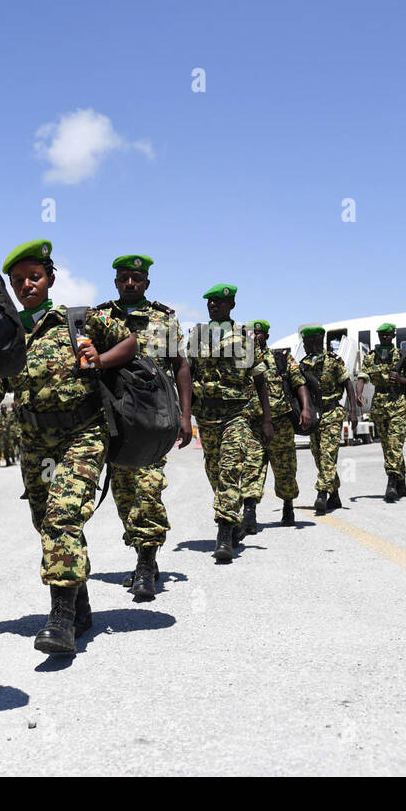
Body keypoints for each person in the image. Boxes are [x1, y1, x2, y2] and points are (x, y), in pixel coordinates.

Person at [0, 240, 136, 653]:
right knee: (47, 524)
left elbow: (130, 343)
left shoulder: (80, 319)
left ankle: (60, 619)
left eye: (35, 277)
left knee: (63, 517)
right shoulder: (9, 335)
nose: (27, 285)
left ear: (50, 280)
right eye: (18, 280)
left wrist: (100, 358)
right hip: (35, 444)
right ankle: (79, 606)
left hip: (83, 433)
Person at [95, 254, 193, 599]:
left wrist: (185, 416)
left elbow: (180, 365)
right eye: (124, 278)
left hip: (154, 416)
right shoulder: (101, 317)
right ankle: (143, 555)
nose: (130, 283)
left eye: (136, 278)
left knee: (148, 489)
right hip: (117, 417)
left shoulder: (164, 318)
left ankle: (146, 564)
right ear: (116, 282)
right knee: (123, 493)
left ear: (146, 282)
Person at [187, 284, 273, 562]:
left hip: (236, 414)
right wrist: (184, 414)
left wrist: (267, 419)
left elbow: (259, 378)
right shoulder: (197, 335)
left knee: (229, 469)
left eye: (219, 302)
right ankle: (233, 520)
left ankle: (223, 534)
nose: (213, 305)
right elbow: (186, 374)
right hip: (206, 416)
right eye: (210, 302)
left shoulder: (245, 337)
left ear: (231, 304)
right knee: (214, 470)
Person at [244, 321, 312, 527]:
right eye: (250, 334)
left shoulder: (280, 358)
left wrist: (306, 409)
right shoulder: (241, 360)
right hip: (253, 424)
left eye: (258, 333)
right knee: (251, 468)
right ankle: (249, 513)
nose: (254, 337)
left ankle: (288, 506)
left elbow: (299, 383)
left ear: (266, 336)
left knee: (285, 470)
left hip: (281, 423)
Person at [357, 323, 406, 502]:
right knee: (388, 447)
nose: (385, 337)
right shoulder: (371, 356)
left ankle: (391, 484)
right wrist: (358, 394)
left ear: (393, 336)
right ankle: (401, 483)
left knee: (395, 444)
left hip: (398, 405)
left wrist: (401, 379)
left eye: (388, 335)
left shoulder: (403, 356)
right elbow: (362, 377)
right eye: (382, 335)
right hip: (379, 407)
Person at [299, 326, 353, 514]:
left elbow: (348, 384)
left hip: (332, 413)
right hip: (315, 416)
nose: (304, 346)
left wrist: (353, 411)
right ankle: (335, 495)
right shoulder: (304, 364)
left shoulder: (334, 361)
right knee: (318, 456)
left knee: (327, 455)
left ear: (314, 341)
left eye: (306, 342)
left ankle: (322, 494)